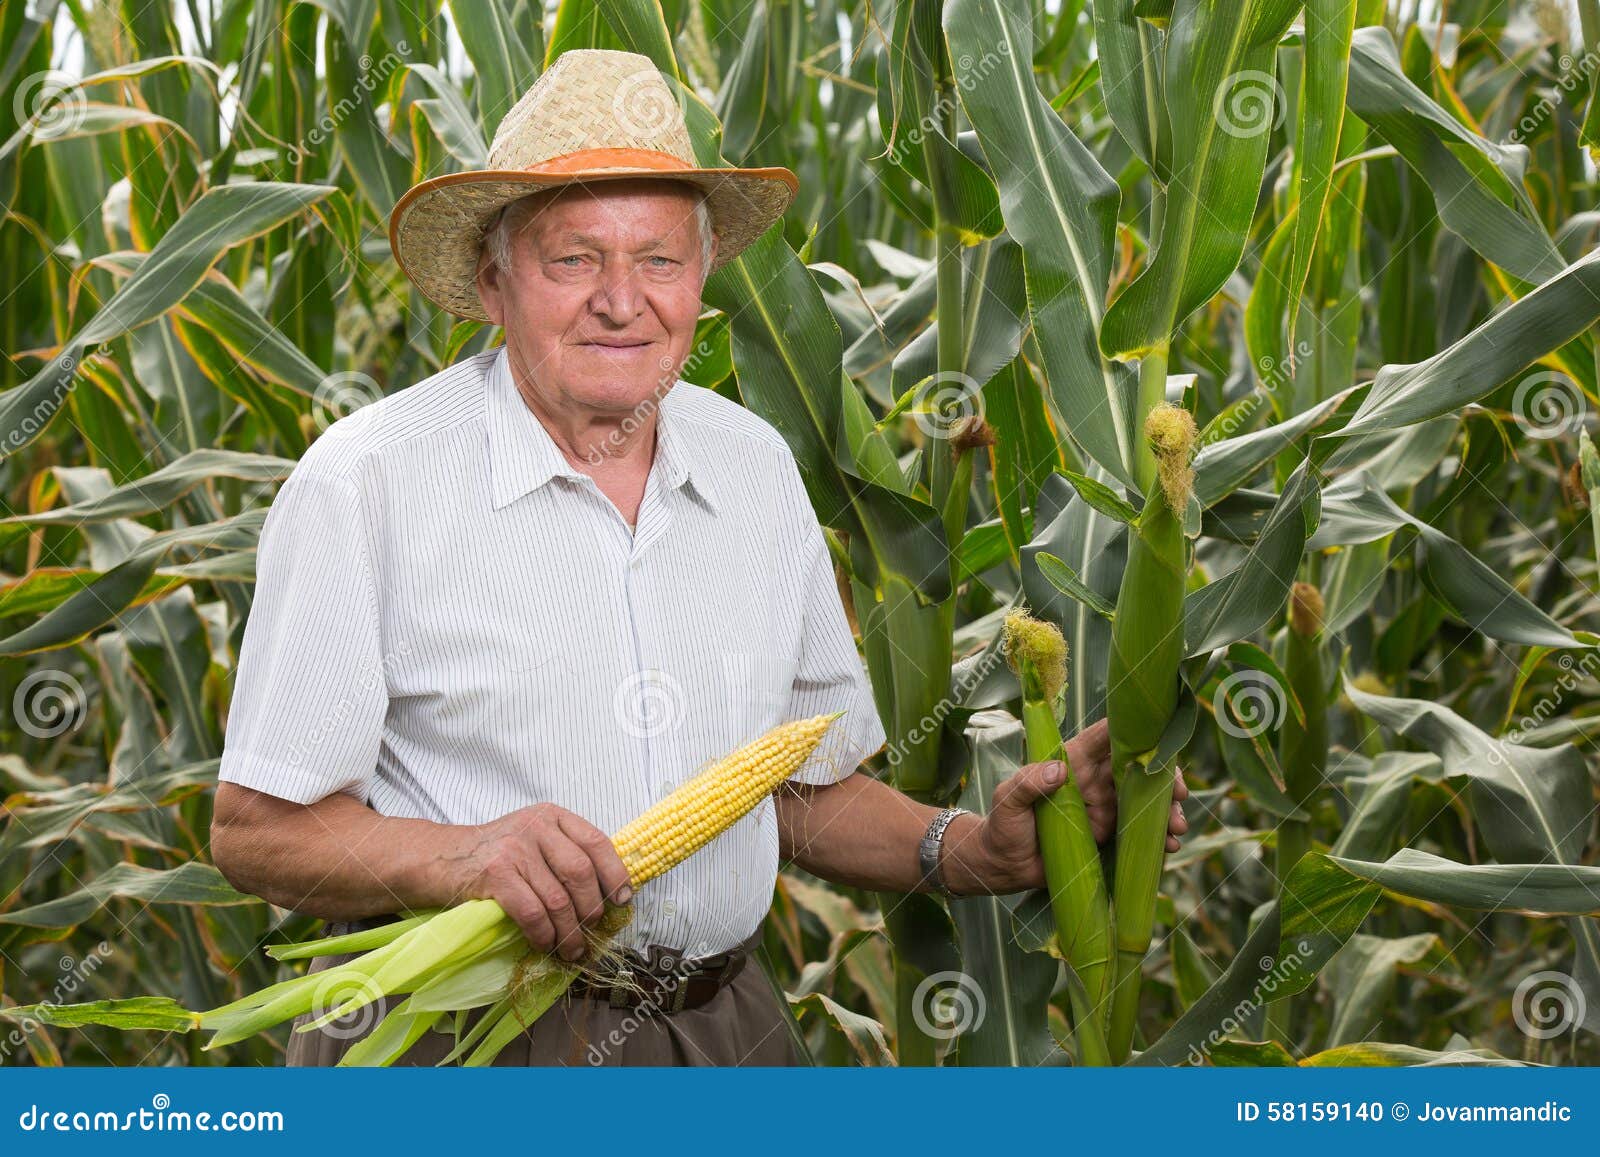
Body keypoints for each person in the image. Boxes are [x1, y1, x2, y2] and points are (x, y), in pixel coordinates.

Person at [209, 48, 1188, 1067]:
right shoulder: (368, 484)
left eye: (659, 260)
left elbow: (801, 786)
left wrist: (964, 848)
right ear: (493, 283)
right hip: (458, 1038)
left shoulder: (753, 466)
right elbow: (254, 831)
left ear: (702, 276)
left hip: (722, 1026)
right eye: (573, 258)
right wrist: (466, 854)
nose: (622, 300)